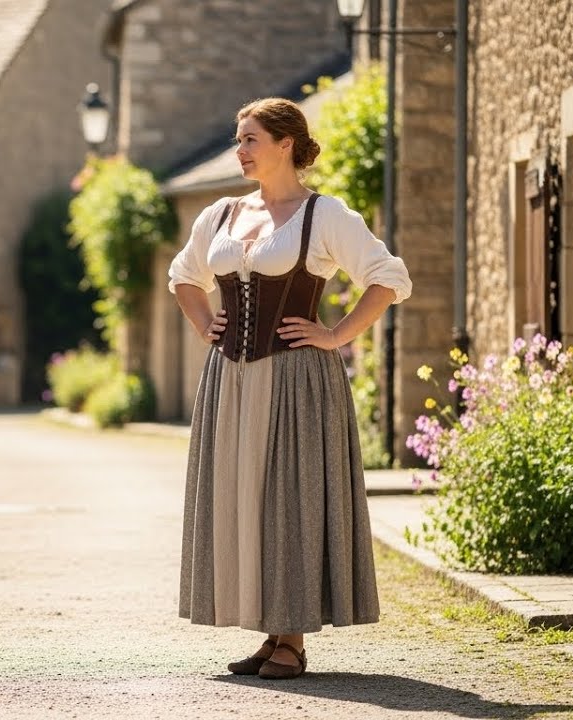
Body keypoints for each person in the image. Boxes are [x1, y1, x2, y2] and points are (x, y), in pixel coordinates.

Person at [167, 97, 411, 680]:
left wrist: (336, 335)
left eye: (250, 139)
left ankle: (292, 641)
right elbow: (183, 276)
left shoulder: (323, 216)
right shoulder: (222, 213)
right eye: (238, 137)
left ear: (286, 145)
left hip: (297, 379)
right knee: (243, 496)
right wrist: (206, 325)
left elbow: (388, 277)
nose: (240, 149)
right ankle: (266, 630)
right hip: (230, 379)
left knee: (289, 498)